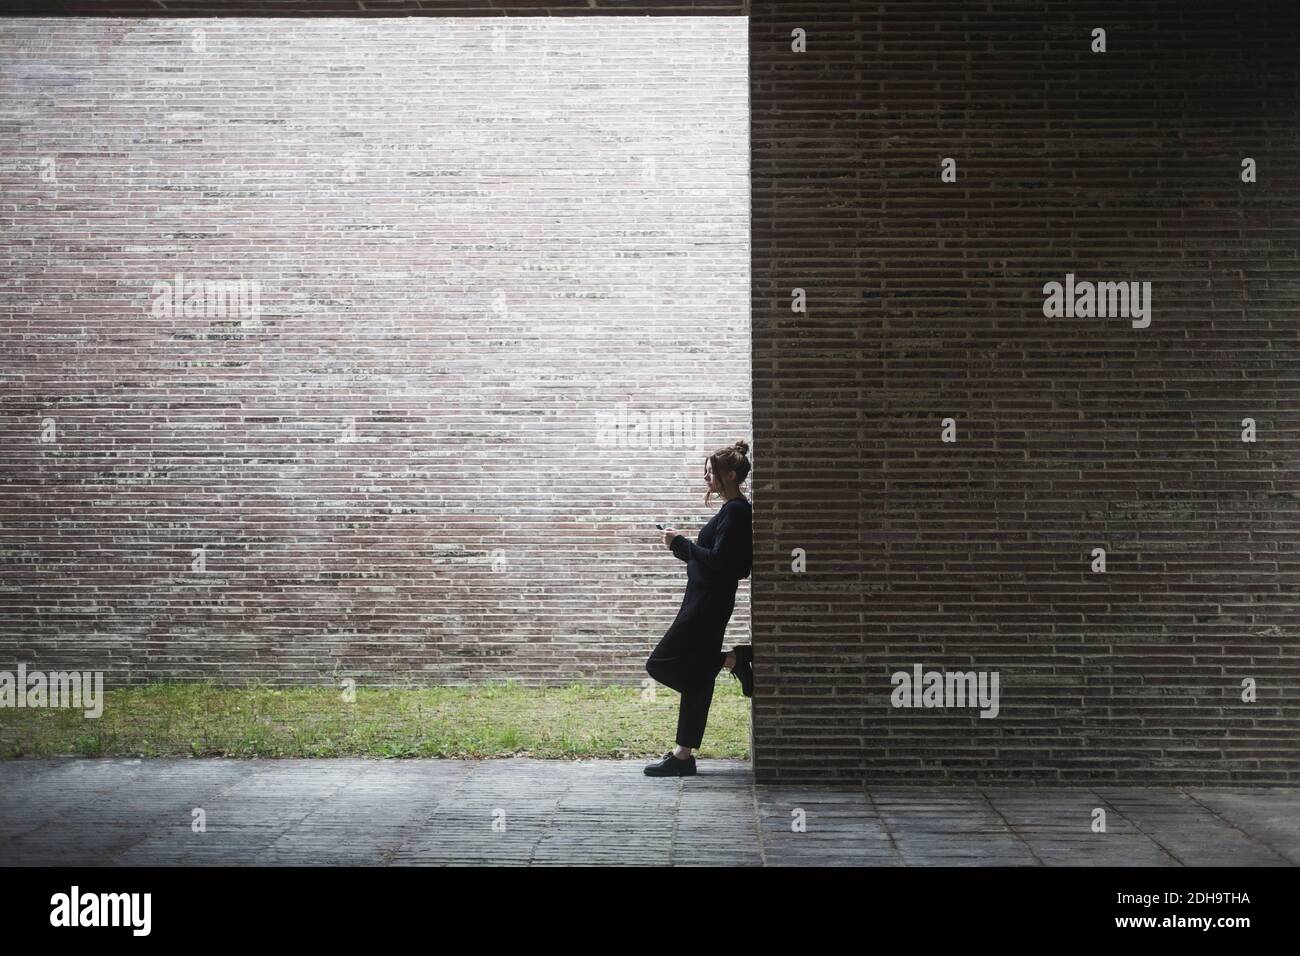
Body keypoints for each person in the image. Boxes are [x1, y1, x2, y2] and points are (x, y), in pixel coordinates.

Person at [643, 439, 754, 777]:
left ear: (730, 474)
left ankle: (734, 659)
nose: (706, 478)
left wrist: (683, 544)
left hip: (708, 604)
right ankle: (682, 756)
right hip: (702, 599)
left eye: (712, 472)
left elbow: (729, 565)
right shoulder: (729, 511)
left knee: (661, 663)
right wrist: (680, 547)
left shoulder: (737, 511)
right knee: (697, 678)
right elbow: (710, 560)